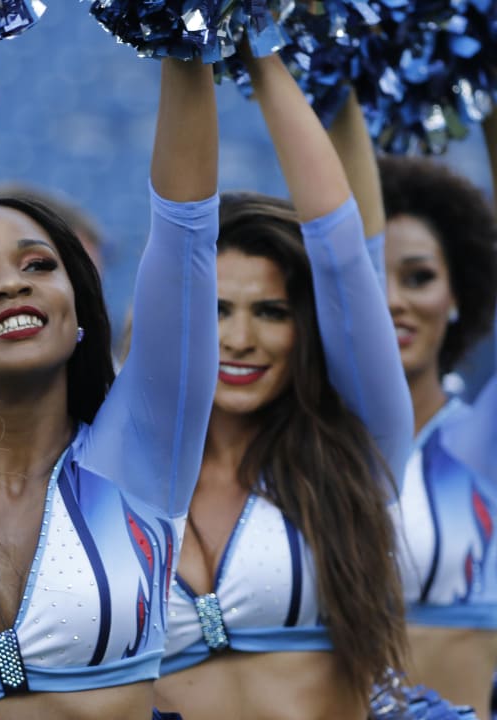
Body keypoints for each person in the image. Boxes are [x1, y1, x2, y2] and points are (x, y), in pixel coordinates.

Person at [0, 57, 219, 720]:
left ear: (81, 313)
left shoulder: (139, 459)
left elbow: (186, 227)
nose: (12, 283)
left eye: (38, 264)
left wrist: (183, 32)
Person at [154, 51, 414, 718]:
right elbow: (175, 224)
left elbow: (341, 249)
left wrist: (256, 47)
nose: (240, 339)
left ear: (306, 327)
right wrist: (184, 43)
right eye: (216, 310)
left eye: (271, 312)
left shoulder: (358, 446)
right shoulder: (126, 471)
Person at [329, 93, 497, 714]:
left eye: (419, 277)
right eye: (375, 280)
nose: (393, 301)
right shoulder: (304, 444)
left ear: (460, 294)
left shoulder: (482, 438)